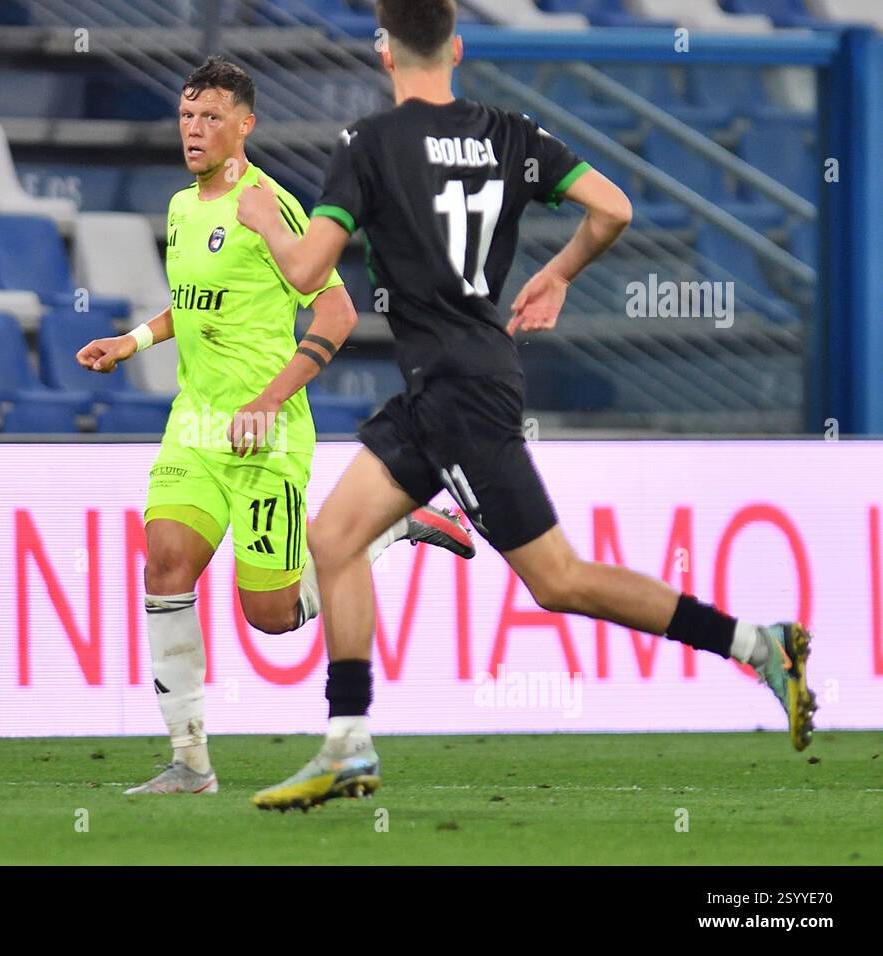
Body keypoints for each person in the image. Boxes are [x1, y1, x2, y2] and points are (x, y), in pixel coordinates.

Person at [234, 0, 816, 811]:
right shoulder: (511, 132)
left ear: (384, 53)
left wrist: (263, 217)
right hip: (451, 385)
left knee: (559, 580)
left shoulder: (368, 146)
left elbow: (303, 274)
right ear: (457, 46)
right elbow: (614, 207)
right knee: (333, 538)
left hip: (459, 394)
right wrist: (562, 272)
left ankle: (757, 644)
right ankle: (348, 742)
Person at [76, 55, 475, 796]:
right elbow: (195, 305)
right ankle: (189, 762)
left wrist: (267, 400)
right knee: (164, 564)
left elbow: (337, 312)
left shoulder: (273, 206)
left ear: (245, 125)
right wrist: (132, 342)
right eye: (187, 118)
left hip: (266, 434)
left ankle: (397, 526)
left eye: (211, 118)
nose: (194, 132)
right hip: (195, 426)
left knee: (272, 614)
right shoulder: (179, 206)